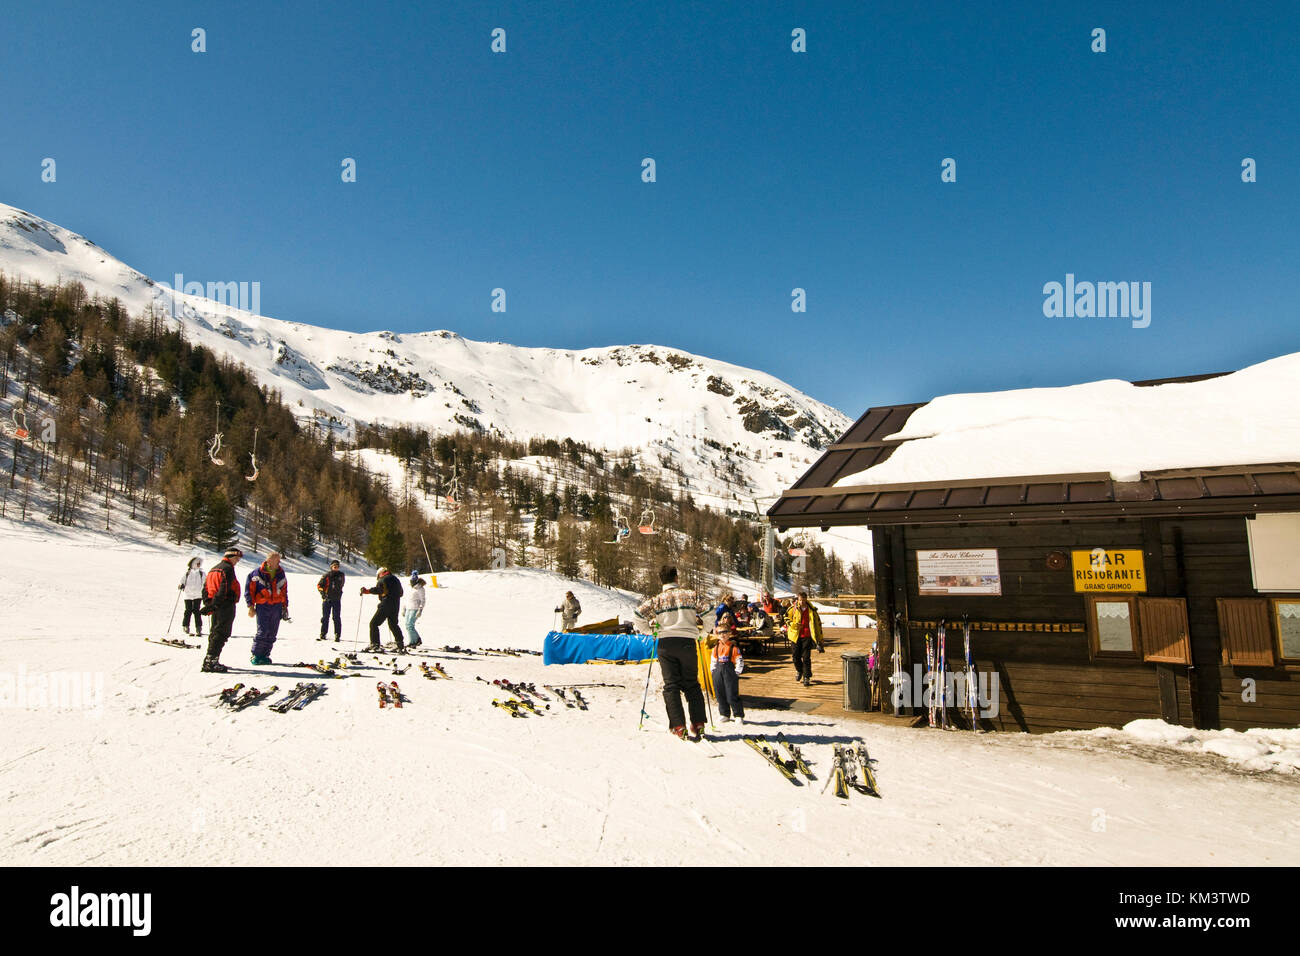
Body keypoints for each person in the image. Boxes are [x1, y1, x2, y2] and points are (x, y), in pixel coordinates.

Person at [635, 565, 711, 740]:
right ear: (677, 578)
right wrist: (703, 633)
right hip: (687, 642)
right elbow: (710, 611)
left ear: (661, 580)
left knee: (671, 685)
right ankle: (698, 723)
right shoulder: (690, 595)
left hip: (666, 643)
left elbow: (638, 615)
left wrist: (650, 631)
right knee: (692, 683)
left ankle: (678, 725)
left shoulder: (657, 600)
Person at [200, 548, 243, 673]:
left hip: (217, 604)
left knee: (215, 631)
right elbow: (224, 588)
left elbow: (206, 587)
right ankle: (211, 661)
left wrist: (209, 603)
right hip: (225, 604)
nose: (237, 561)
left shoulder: (214, 568)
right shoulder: (227, 568)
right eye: (237, 558)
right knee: (222, 632)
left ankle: (210, 659)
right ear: (231, 557)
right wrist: (214, 604)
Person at [246, 551, 289, 666]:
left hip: (277, 606)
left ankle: (265, 655)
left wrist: (285, 606)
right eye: (277, 560)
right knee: (263, 631)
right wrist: (250, 606)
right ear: (269, 561)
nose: (279, 562)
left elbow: (284, 591)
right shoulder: (256, 573)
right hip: (263, 605)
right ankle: (256, 654)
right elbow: (249, 591)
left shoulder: (281, 573)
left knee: (272, 632)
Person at [711, 612, 745, 724]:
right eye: (720, 633)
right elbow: (713, 660)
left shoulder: (733, 647)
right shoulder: (716, 647)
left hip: (729, 671)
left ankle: (738, 714)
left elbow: (739, 660)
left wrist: (737, 672)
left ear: (729, 633)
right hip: (718, 671)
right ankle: (724, 713)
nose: (723, 635)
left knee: (731, 694)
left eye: (725, 632)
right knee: (720, 693)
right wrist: (713, 671)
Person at [786, 591, 825, 687]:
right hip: (795, 636)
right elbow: (786, 617)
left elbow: (818, 625)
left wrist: (820, 639)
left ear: (806, 599)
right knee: (795, 656)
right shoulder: (793, 608)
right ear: (798, 600)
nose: (802, 602)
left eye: (803, 600)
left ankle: (806, 677)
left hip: (807, 636)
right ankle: (799, 670)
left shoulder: (812, 610)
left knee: (806, 657)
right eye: (800, 600)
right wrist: (793, 625)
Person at [361, 568, 405, 653]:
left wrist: (367, 591)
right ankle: (399, 643)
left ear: (380, 573)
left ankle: (375, 644)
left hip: (386, 604)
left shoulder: (383, 579)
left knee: (374, 623)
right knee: (393, 624)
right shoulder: (396, 579)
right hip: (396, 604)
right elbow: (401, 593)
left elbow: (379, 590)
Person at [316, 559, 345, 642]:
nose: (336, 568)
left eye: (337, 566)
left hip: (336, 600)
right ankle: (323, 633)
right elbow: (319, 585)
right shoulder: (327, 575)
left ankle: (337, 634)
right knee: (325, 617)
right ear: (331, 567)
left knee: (336, 617)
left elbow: (342, 585)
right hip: (327, 599)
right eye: (334, 566)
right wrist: (323, 593)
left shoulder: (341, 575)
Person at [179, 556, 205, 638]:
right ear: (193, 564)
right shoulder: (187, 573)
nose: (199, 565)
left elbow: (205, 582)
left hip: (198, 595)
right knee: (188, 610)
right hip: (188, 595)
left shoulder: (202, 573)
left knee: (197, 611)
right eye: (197, 563)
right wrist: (181, 585)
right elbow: (182, 581)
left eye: (199, 563)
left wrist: (205, 590)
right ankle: (185, 626)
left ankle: (198, 627)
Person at [405, 573, 426, 648]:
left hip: (415, 609)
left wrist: (420, 610)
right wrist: (404, 608)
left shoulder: (420, 589)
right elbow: (408, 598)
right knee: (407, 625)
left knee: (410, 625)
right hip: (408, 608)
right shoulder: (411, 588)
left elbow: (423, 600)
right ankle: (415, 640)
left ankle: (414, 641)